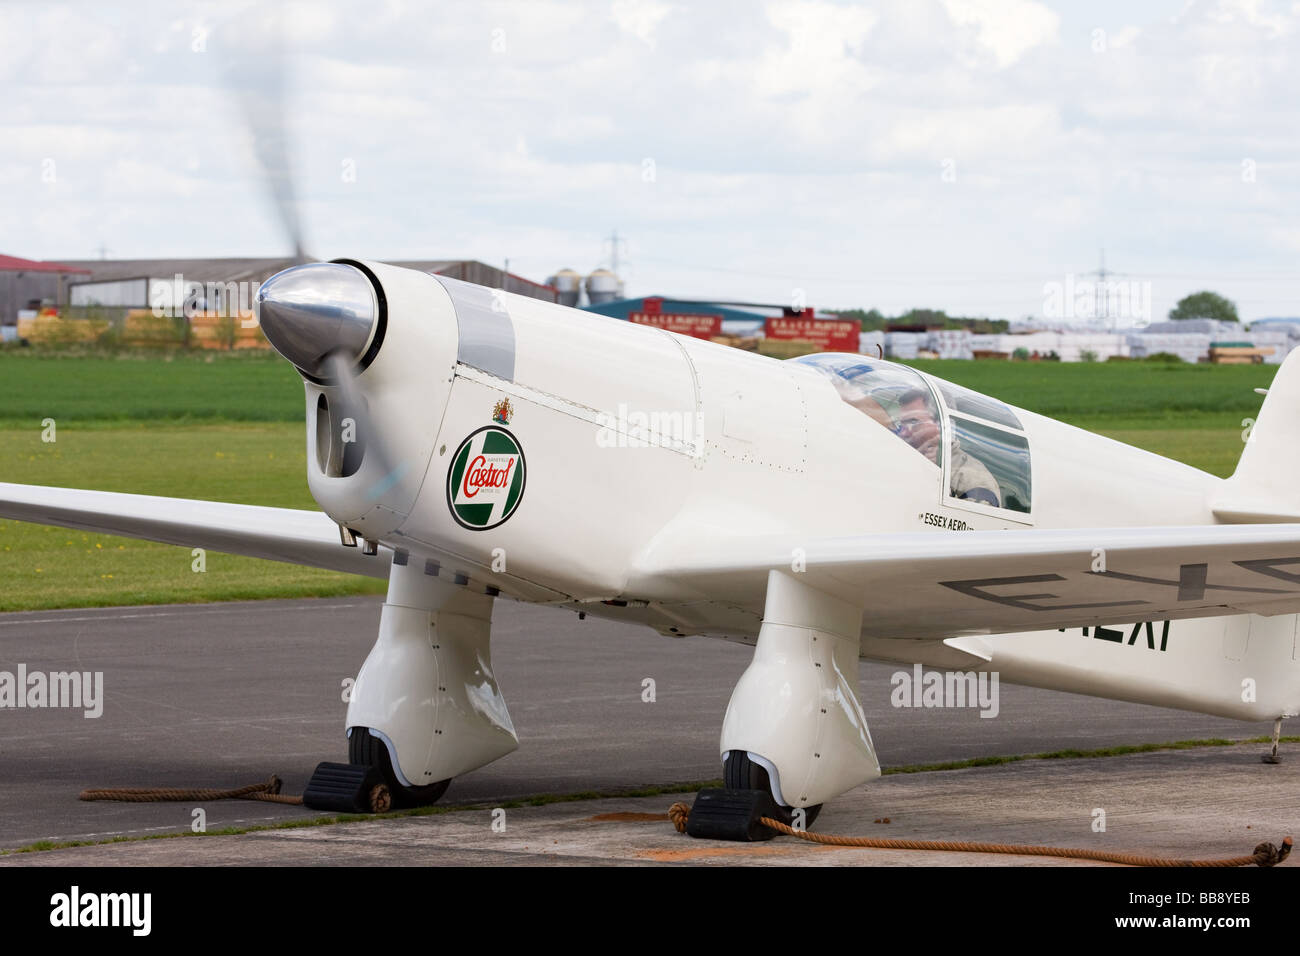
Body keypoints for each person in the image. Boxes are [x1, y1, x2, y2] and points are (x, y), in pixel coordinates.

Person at [894, 390, 1003, 508]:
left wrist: (935, 475)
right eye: (901, 424)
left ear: (942, 425)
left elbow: (976, 522)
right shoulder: (900, 460)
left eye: (913, 422)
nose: (903, 432)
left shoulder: (972, 476)